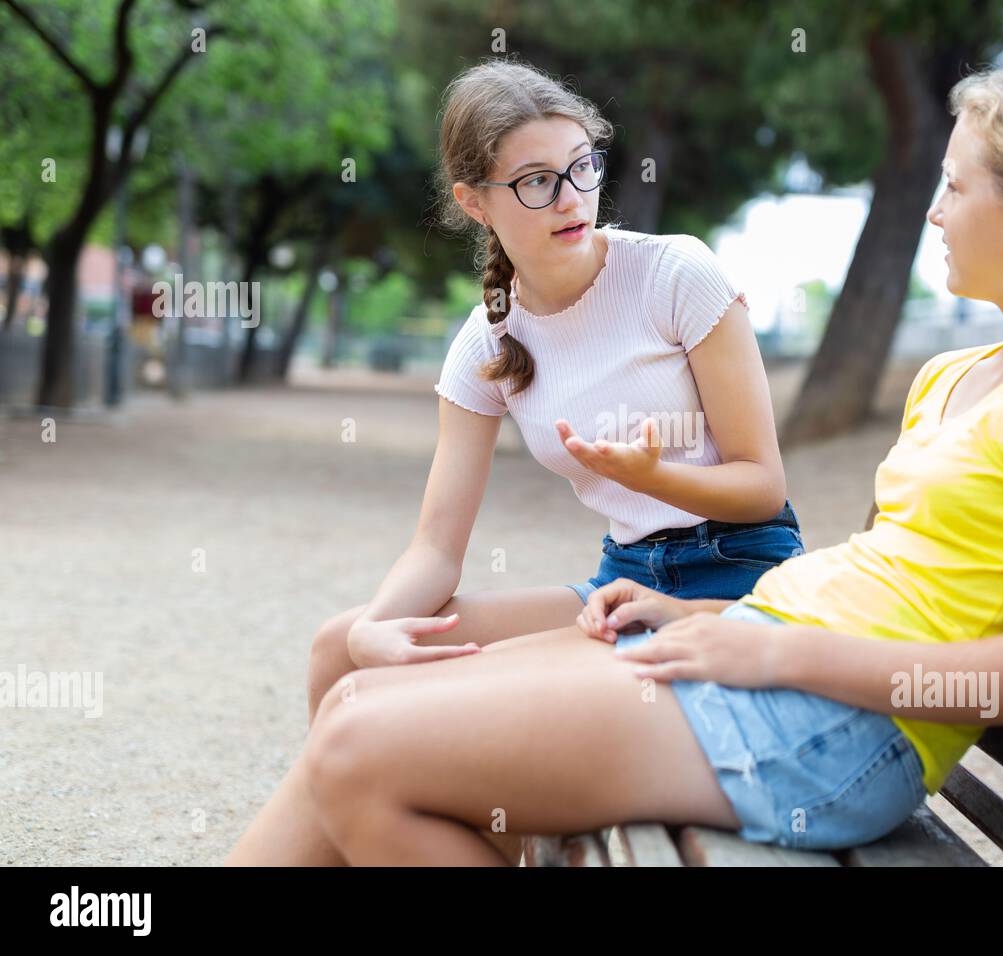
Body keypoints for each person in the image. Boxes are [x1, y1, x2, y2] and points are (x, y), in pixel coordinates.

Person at [227, 62, 1003, 865]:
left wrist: (768, 650)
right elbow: (892, 574)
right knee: (358, 706)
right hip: (765, 656)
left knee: (360, 754)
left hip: (840, 730)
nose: (931, 209)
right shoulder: (957, 373)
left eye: (950, 184)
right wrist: (709, 618)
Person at [232, 58, 803, 865]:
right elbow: (436, 547)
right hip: (619, 583)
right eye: (535, 182)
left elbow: (762, 487)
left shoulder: (676, 273)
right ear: (474, 202)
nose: (570, 198)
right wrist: (374, 630)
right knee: (340, 648)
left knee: (368, 704)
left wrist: (655, 478)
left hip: (734, 578)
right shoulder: (488, 342)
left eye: (581, 168)